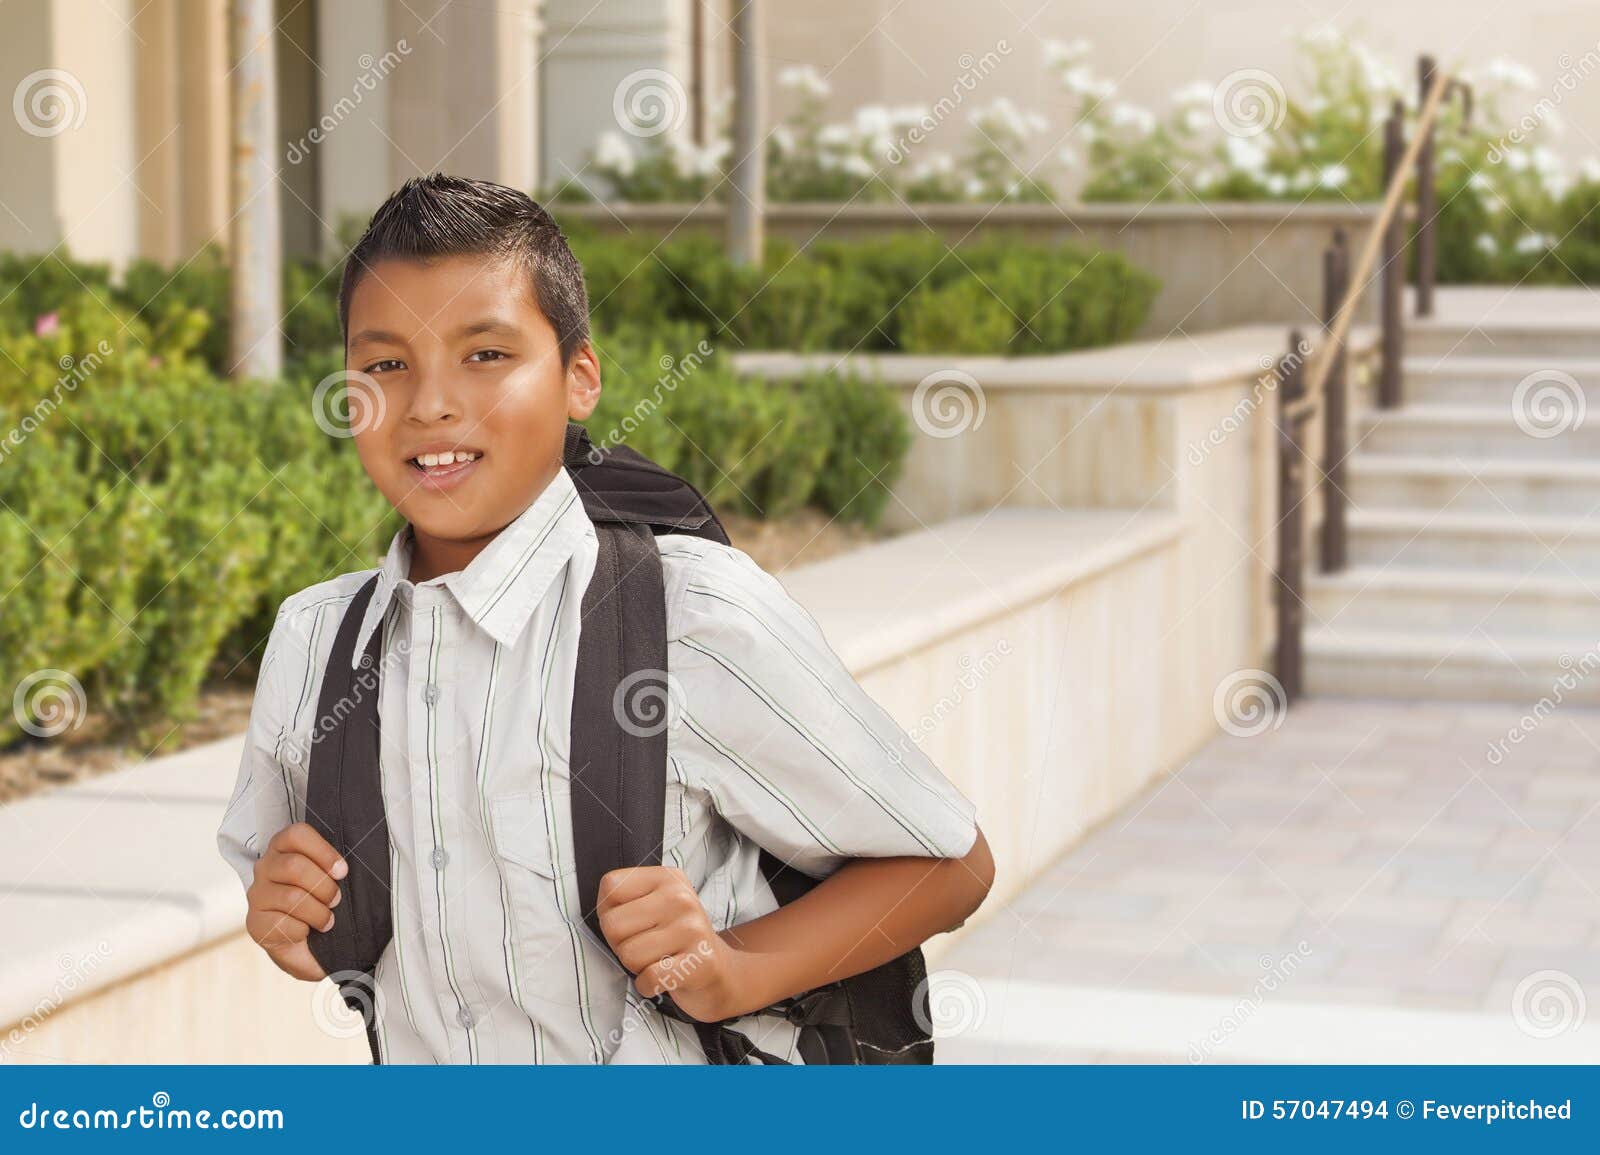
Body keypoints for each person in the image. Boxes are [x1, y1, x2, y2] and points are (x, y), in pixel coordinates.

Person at [215, 173, 994, 1063]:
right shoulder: (316, 642)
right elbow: (308, 923)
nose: (430, 401)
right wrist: (284, 918)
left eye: (486, 354)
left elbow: (949, 863)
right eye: (387, 363)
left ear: (579, 376)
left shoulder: (691, 614)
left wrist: (735, 968)